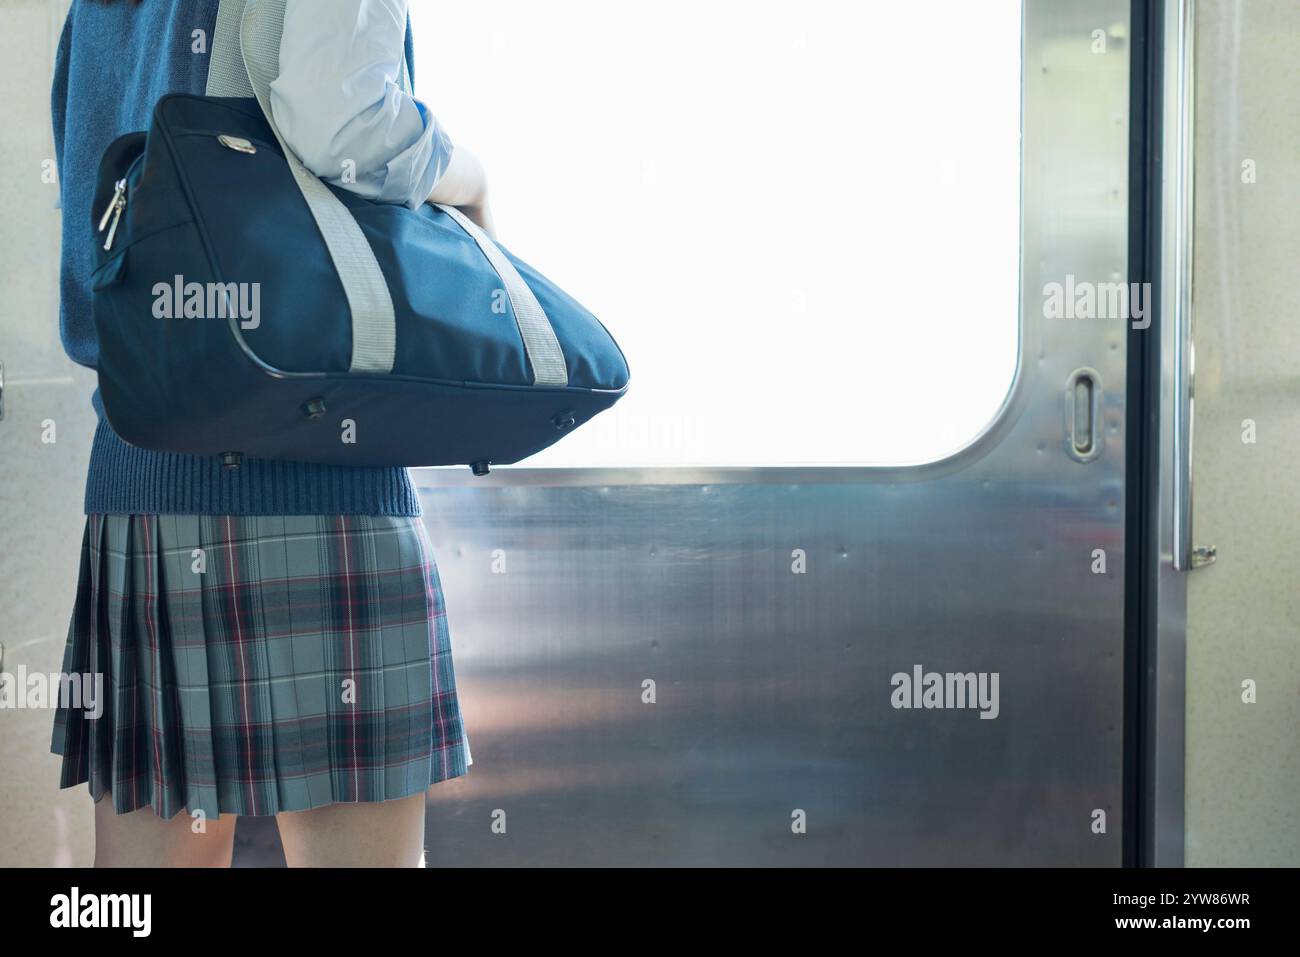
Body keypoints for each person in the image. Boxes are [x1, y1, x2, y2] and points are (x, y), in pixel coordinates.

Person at [49, 0, 487, 867]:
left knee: (128, 894)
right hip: (317, 472)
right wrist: (469, 175)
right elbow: (342, 121)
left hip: (141, 485)